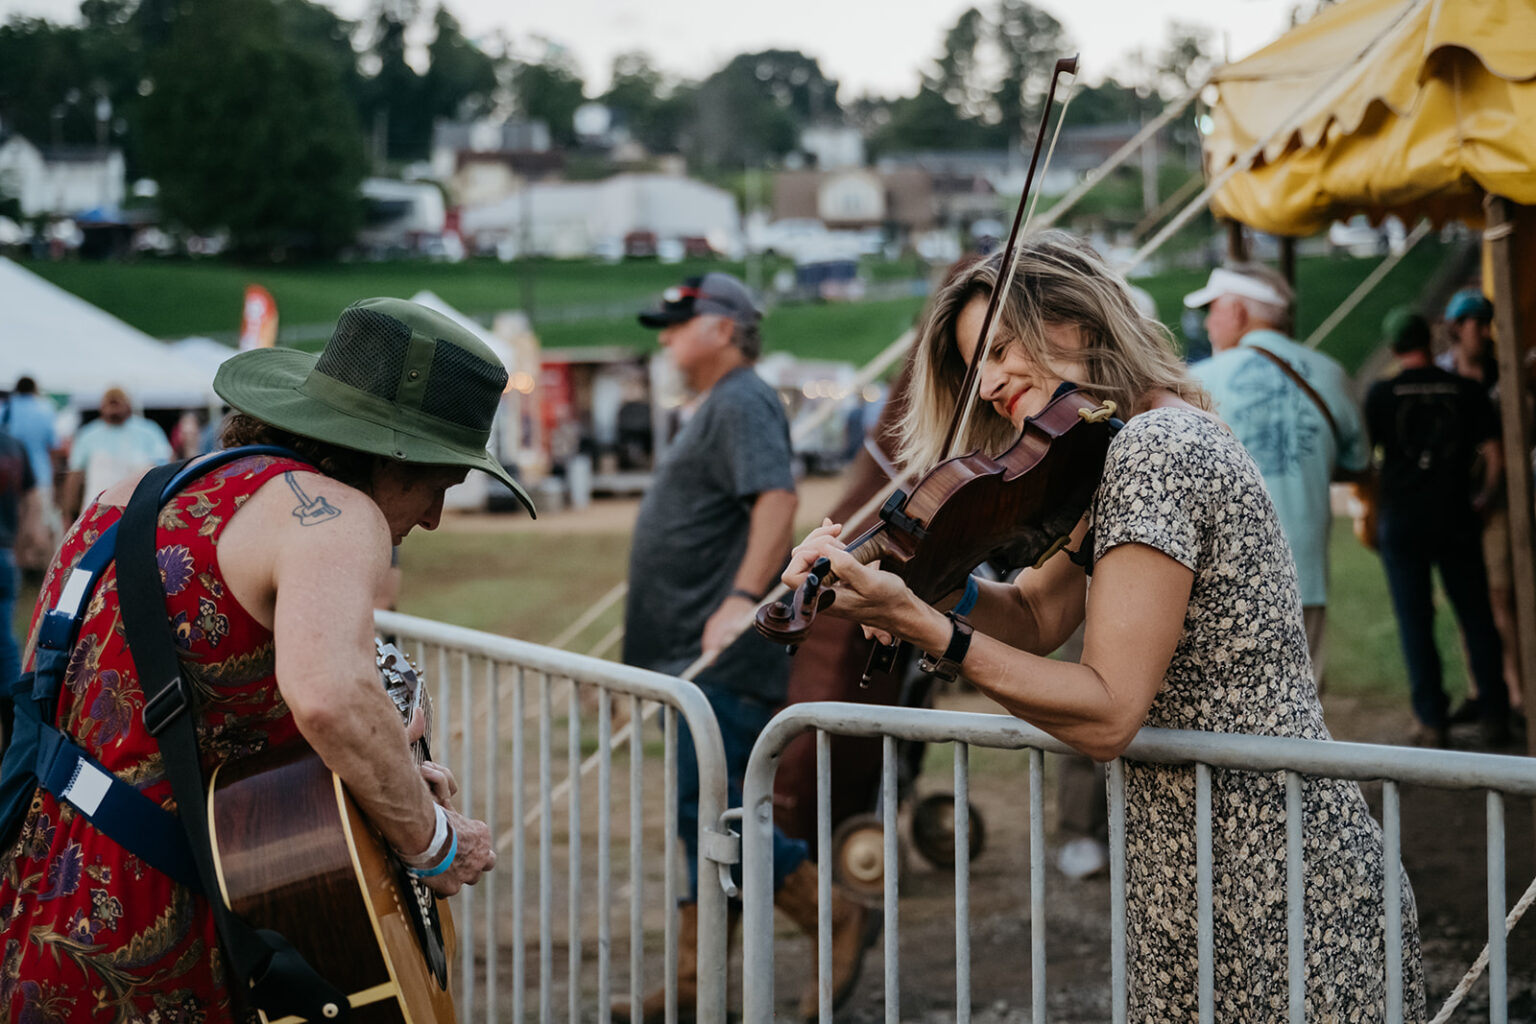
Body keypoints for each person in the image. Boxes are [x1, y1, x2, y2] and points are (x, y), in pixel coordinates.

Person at [785, 233, 1425, 1021]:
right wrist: (899, 596)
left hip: (1276, 877)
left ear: (1081, 322)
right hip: (1195, 867)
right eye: (974, 364)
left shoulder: (1157, 450)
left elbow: (1109, 709)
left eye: (1001, 347)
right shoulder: (1123, 448)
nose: (986, 384)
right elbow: (1032, 614)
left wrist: (925, 623)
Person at [0, 298, 530, 1017]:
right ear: (391, 451)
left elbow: (50, 694)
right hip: (165, 931)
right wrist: (434, 842)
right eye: (438, 483)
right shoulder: (338, 517)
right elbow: (330, 696)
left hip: (33, 899)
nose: (434, 516)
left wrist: (368, 783)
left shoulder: (122, 496)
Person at [617, 272, 870, 1022]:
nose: (662, 336)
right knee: (706, 817)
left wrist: (738, 601)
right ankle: (699, 984)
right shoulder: (721, 403)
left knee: (726, 815)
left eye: (675, 322)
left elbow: (779, 498)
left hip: (723, 658)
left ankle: (839, 916)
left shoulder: (744, 397)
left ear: (723, 327)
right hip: (692, 661)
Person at [1185, 264, 1369, 690]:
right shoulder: (1331, 375)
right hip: (1306, 579)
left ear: (1237, 313)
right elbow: (1358, 466)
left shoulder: (1196, 383)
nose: (1210, 322)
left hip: (1218, 581)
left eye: (1213, 309)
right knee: (1304, 713)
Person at [1366, 308, 1510, 747]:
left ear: (1393, 348)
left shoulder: (1381, 393)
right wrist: (1485, 497)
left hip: (1404, 518)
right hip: (1456, 516)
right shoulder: (1466, 390)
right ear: (1430, 342)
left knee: (1415, 620)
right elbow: (1495, 452)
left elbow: (1372, 462)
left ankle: (1432, 720)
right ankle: (1494, 714)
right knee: (1476, 617)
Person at [1435, 288, 1524, 723]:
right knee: (1469, 598)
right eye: (1474, 321)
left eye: (1485, 321)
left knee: (1502, 596)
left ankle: (1513, 688)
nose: (1481, 330)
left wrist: (1488, 494)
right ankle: (1481, 687)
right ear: (1455, 326)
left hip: (1500, 502)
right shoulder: (1442, 376)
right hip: (1457, 504)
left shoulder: (1503, 375)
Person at [61, 386, 173, 522]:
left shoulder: (149, 432)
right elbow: (75, 476)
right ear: (101, 407)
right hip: (97, 511)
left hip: (138, 509)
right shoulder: (88, 435)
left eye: (118, 402)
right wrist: (69, 513)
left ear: (129, 405)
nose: (113, 407)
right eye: (110, 402)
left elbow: (166, 467)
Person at [2, 377, 60, 572]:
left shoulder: (7, 408)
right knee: (37, 526)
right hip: (39, 475)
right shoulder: (45, 409)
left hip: (8, 476)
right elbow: (53, 445)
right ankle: (38, 572)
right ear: (35, 389)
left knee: (10, 525)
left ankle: (15, 566)